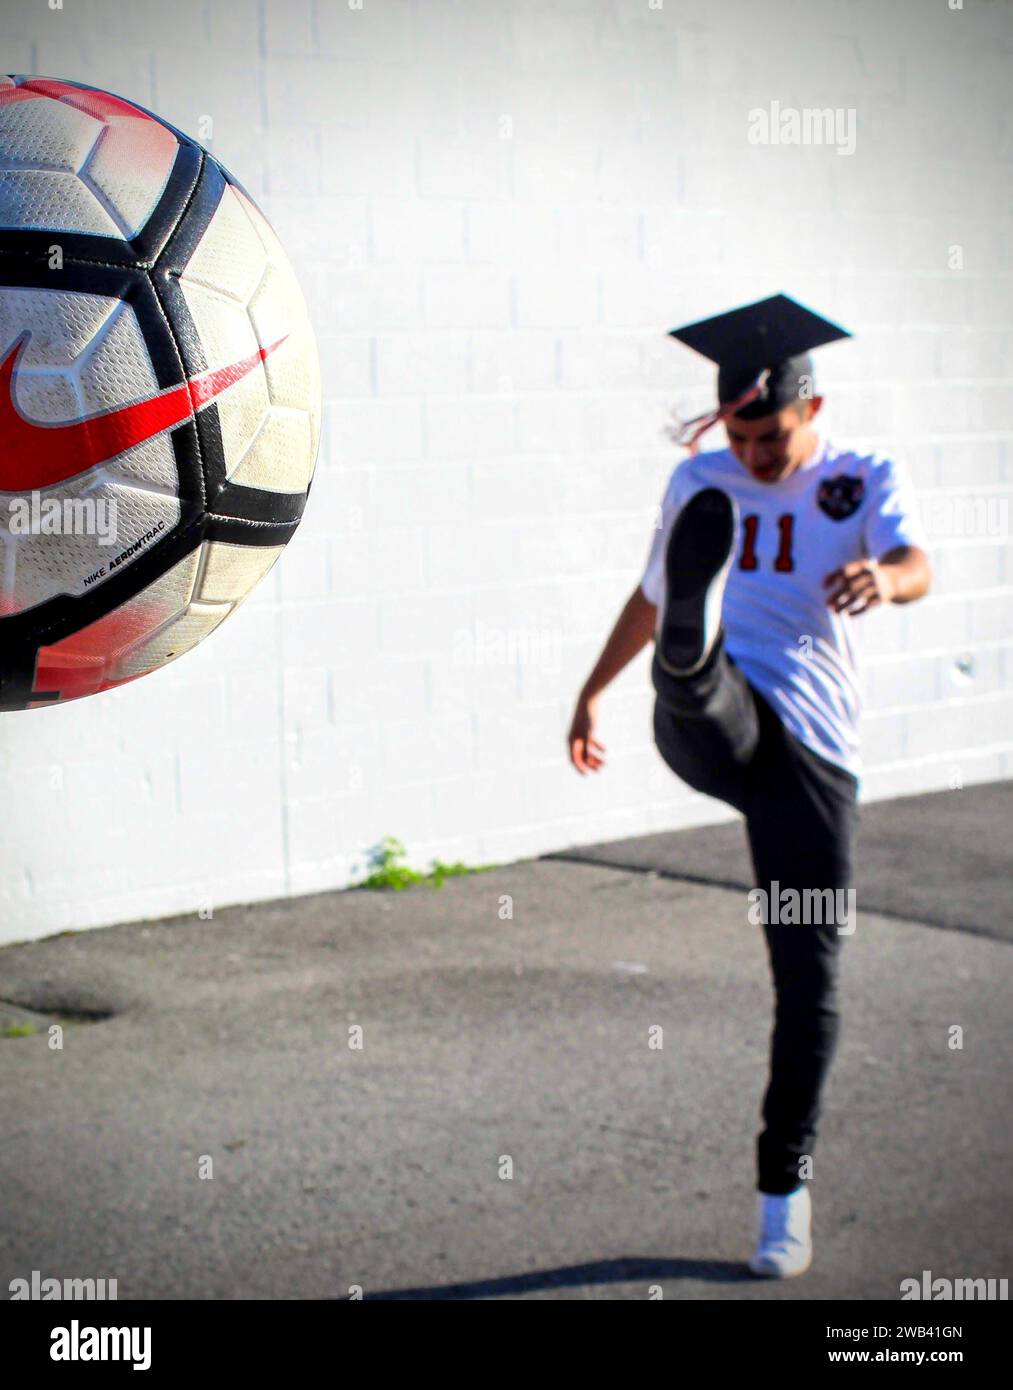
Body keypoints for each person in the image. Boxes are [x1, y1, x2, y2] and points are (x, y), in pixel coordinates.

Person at [567, 294, 932, 1278]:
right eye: (740, 435)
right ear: (719, 424)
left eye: (771, 436)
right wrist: (591, 693)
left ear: (813, 413)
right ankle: (690, 653)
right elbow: (645, 593)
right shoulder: (699, 480)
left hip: (811, 759)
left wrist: (882, 584)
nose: (758, 455)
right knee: (696, 679)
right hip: (720, 721)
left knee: (807, 981)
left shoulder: (860, 479)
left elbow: (913, 562)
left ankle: (783, 1191)